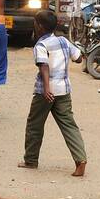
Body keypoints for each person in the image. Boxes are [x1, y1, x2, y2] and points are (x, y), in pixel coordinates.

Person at [20, 10, 87, 177]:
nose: (34, 27)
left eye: (36, 24)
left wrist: (47, 88)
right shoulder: (63, 41)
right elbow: (79, 58)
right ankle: (80, 159)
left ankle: (31, 160)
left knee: (35, 124)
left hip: (46, 92)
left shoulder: (41, 45)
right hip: (63, 90)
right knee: (69, 125)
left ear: (40, 27)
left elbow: (44, 66)